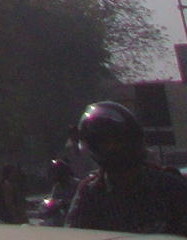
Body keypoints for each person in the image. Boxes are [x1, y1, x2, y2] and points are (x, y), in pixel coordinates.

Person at [65, 100, 187, 235]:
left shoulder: (168, 186)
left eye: (117, 140)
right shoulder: (91, 194)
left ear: (132, 138)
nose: (111, 147)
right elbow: (74, 234)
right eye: (103, 142)